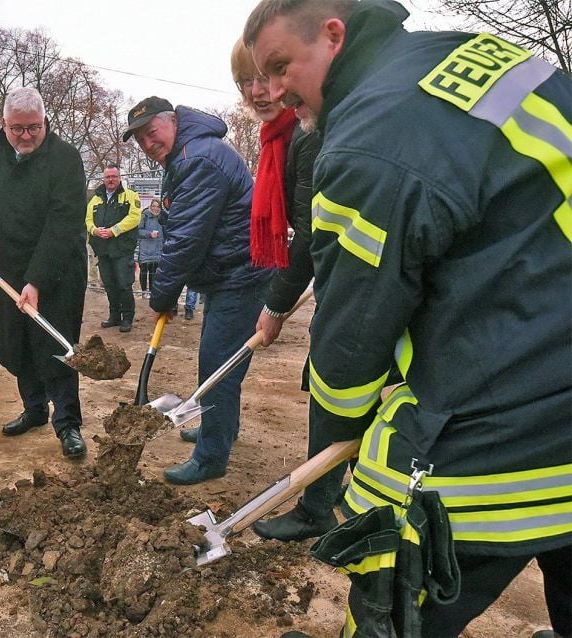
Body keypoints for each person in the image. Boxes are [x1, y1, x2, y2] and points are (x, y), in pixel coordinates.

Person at [244, 0, 571, 635]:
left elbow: (351, 344)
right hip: (548, 357)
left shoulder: (371, 139)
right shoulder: (463, 57)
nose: (275, 92)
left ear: (332, 36)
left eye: (281, 67)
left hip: (508, 423)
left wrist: (340, 430)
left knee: (396, 597)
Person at [194, 39, 332, 543]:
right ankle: (324, 498)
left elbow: (310, 232)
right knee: (328, 387)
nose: (257, 91)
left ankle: (319, 506)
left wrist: (276, 303)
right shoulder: (279, 138)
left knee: (333, 387)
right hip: (331, 275)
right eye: (244, 82)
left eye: (265, 76)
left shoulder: (307, 136)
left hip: (349, 281)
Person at [122, 96, 272, 485]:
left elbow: (186, 241)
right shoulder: (187, 155)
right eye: (140, 139)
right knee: (222, 363)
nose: (148, 143)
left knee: (217, 366)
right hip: (230, 274)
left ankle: (210, 458)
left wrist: (162, 296)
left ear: (173, 121)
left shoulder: (197, 160)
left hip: (241, 275)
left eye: (152, 132)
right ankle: (220, 429)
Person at [0, 87, 88, 459]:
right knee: (16, 343)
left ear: (45, 122)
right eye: (17, 128)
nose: (25, 136)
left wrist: (37, 280)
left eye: (34, 128)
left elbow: (64, 223)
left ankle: (67, 424)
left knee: (57, 346)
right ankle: (34, 408)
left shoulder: (65, 158)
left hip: (58, 269)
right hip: (7, 267)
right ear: (3, 123)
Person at [86, 165, 142, 332]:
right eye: (107, 177)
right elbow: (88, 220)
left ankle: (127, 318)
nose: (110, 179)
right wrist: (94, 230)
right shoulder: (95, 199)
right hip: (103, 249)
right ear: (103, 179)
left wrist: (114, 231)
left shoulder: (130, 196)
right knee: (109, 285)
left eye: (114, 176)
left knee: (124, 284)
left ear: (119, 178)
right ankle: (114, 316)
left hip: (122, 249)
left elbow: (134, 217)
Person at [136, 200, 163, 300]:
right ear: (150, 206)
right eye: (154, 206)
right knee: (144, 272)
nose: (156, 208)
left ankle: (152, 291)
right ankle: (144, 291)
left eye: (158, 206)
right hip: (145, 249)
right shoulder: (144, 216)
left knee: (154, 273)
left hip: (157, 249)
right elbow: (138, 231)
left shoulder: (162, 218)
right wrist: (149, 234)